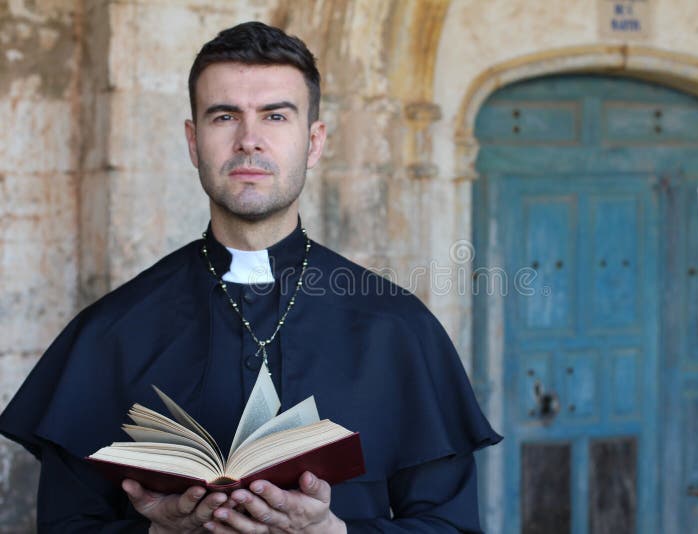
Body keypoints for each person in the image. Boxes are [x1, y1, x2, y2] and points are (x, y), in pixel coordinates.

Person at [0, 21, 500, 533]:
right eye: (224, 116)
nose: (249, 140)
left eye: (275, 115)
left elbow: (452, 526)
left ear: (314, 141)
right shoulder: (111, 331)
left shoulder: (398, 328)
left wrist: (333, 533)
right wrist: (156, 532)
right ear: (194, 142)